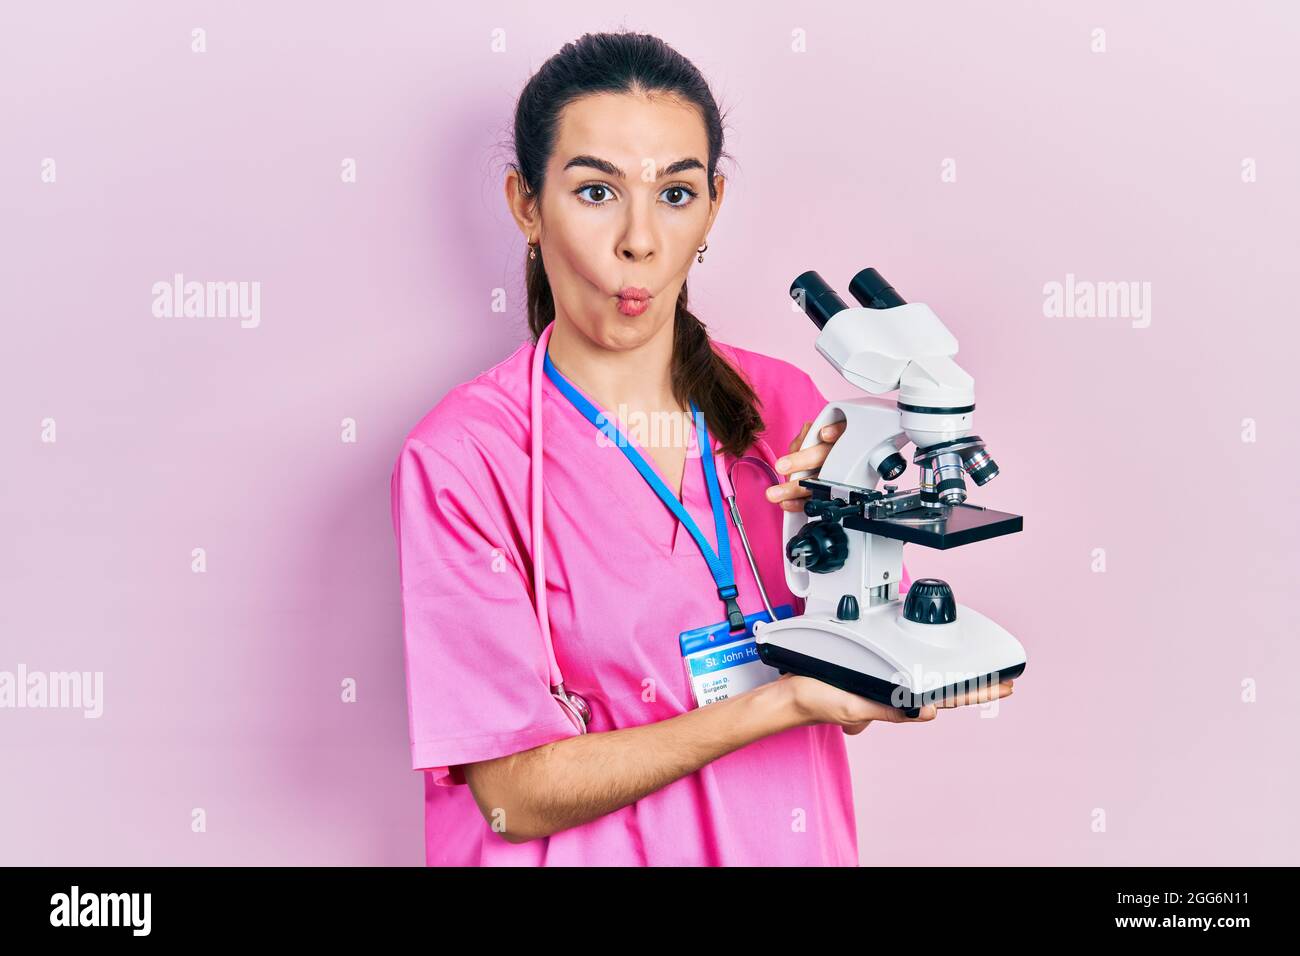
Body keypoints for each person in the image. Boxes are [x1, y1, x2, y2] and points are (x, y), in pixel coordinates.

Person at [389, 30, 1013, 866]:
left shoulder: (785, 408)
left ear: (713, 205)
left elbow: (860, 686)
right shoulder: (467, 460)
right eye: (596, 192)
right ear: (526, 205)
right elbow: (511, 797)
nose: (640, 240)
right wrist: (776, 705)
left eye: (675, 194)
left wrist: (863, 598)